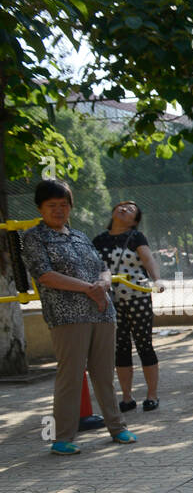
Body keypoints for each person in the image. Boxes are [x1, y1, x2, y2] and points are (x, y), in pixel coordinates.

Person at [21, 179, 137, 455]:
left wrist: (102, 284)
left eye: (64, 205)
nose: (59, 210)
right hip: (68, 317)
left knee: (103, 374)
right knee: (71, 375)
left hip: (101, 313)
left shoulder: (79, 236)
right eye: (52, 206)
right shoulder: (34, 238)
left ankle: (117, 427)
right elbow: (45, 275)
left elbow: (103, 268)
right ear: (40, 208)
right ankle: (62, 437)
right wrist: (89, 289)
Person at [93, 200, 162, 413]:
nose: (124, 209)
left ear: (135, 220)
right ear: (113, 211)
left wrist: (157, 279)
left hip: (137, 297)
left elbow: (148, 259)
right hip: (110, 301)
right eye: (120, 206)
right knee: (120, 347)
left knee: (144, 344)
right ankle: (126, 397)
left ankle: (151, 396)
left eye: (131, 209)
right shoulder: (98, 240)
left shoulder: (136, 237)